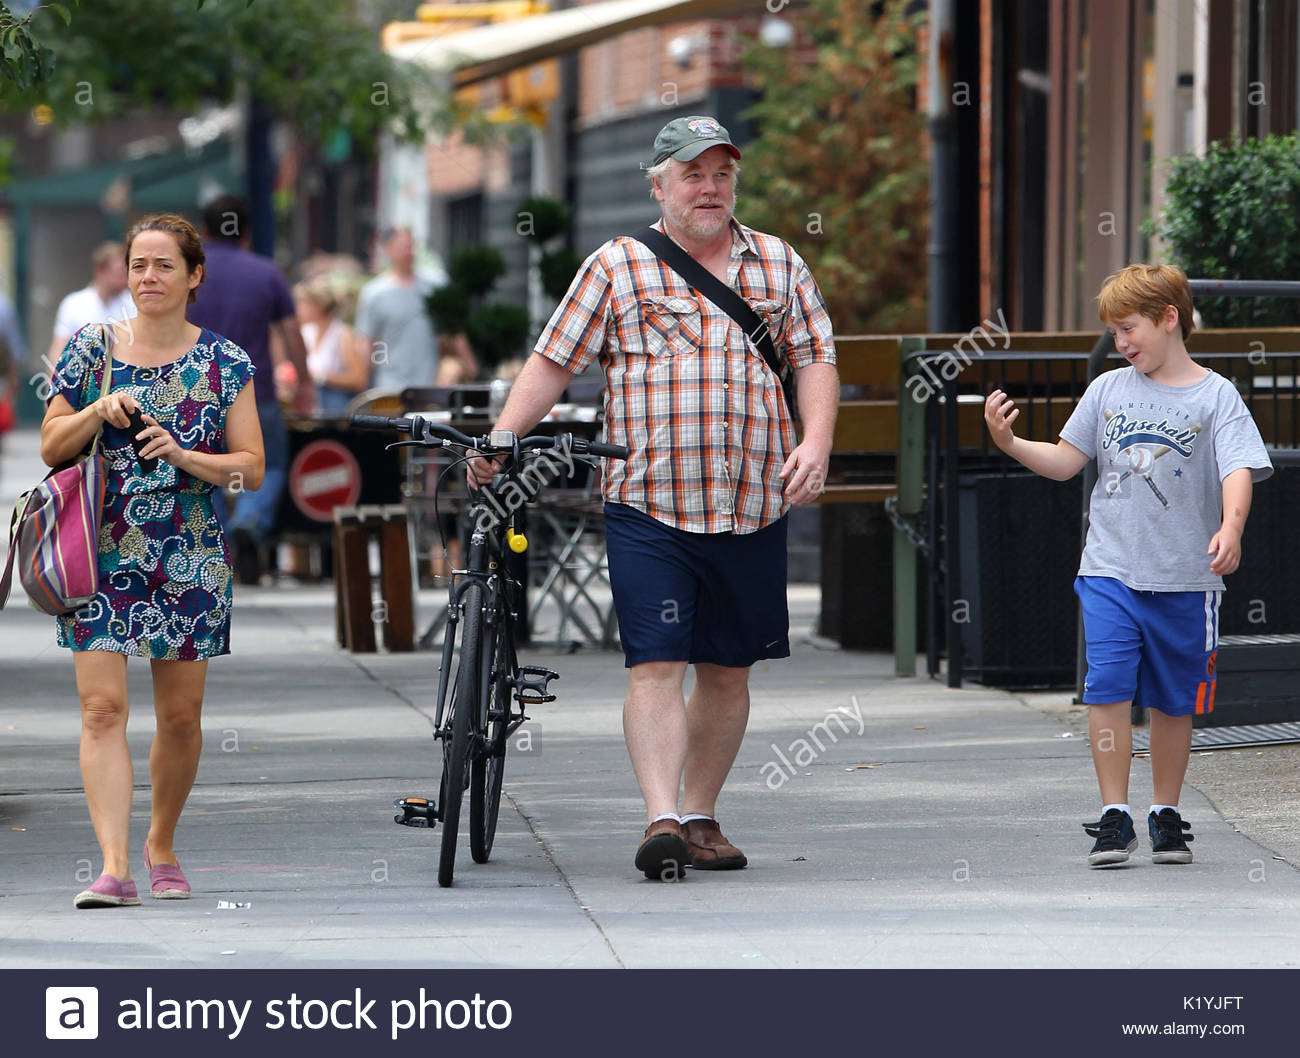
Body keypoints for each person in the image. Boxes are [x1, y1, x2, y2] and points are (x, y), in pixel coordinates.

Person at [467, 115, 839, 880]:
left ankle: (701, 814)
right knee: (657, 664)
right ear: (660, 185)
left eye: (722, 174)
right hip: (649, 503)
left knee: (729, 672)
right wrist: (504, 433)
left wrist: (816, 441)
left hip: (752, 500)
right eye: (693, 175)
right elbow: (553, 361)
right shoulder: (618, 265)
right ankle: (659, 817)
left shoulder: (778, 262)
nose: (710, 188)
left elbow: (815, 360)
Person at [984, 264, 1273, 868]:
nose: (1121, 344)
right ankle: (1114, 814)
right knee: (1108, 688)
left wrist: (1232, 525)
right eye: (1114, 333)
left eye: (1128, 329)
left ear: (1170, 319)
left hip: (1187, 580)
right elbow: (1066, 462)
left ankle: (1165, 811)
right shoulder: (1108, 391)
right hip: (1110, 569)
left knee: (1175, 700)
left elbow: (1237, 468)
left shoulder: (1215, 396)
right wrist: (1010, 443)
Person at [40, 214, 264, 908]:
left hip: (189, 551)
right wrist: (96, 411)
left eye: (165, 266)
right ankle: (113, 866)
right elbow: (51, 446)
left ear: (194, 277)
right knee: (102, 710)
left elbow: (251, 470)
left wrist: (185, 455)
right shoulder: (89, 349)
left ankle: (160, 842)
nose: (148, 278)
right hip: (99, 551)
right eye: (139, 265)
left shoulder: (226, 362)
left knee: (180, 719)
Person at [187, 194, 313, 584]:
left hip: (196, 391)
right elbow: (292, 334)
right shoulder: (267, 273)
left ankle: (223, 543)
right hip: (256, 394)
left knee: (203, 471)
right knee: (270, 463)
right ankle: (249, 520)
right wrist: (305, 383)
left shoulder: (190, 274)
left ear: (204, 231)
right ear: (246, 231)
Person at [353, 227, 445, 394]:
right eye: (402, 246)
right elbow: (366, 341)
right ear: (387, 248)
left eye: (411, 246)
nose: (408, 252)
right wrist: (368, 374)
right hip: (389, 385)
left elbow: (449, 331)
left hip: (430, 382)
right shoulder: (374, 293)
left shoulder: (435, 284)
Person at [45, 242, 137, 367]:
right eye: (119, 272)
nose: (124, 278)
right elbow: (58, 350)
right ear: (100, 271)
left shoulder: (132, 303)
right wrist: (53, 383)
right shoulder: (74, 304)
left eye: (126, 272)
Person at [294, 276, 368, 413]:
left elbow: (359, 380)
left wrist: (319, 377)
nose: (297, 308)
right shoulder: (306, 332)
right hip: (310, 408)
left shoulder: (343, 334)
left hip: (335, 408)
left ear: (318, 306)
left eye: (303, 303)